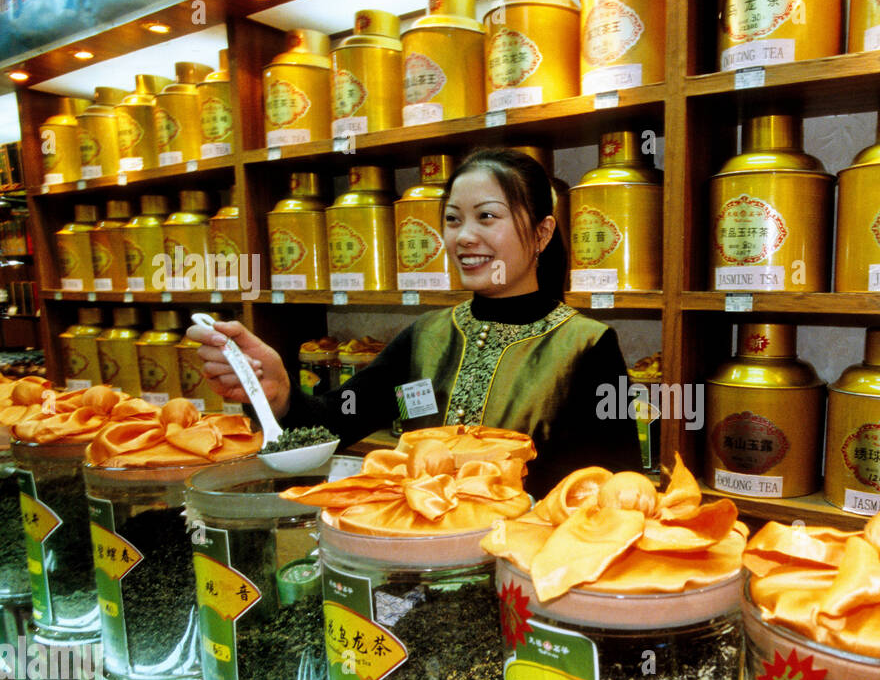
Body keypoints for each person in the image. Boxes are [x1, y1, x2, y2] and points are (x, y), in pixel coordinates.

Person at [187, 148, 642, 495]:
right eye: (452, 219)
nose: (465, 236)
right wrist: (278, 393)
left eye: (487, 217)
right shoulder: (427, 337)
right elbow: (332, 425)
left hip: (525, 578)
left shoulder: (588, 346)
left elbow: (615, 491)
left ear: (541, 232)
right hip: (420, 566)